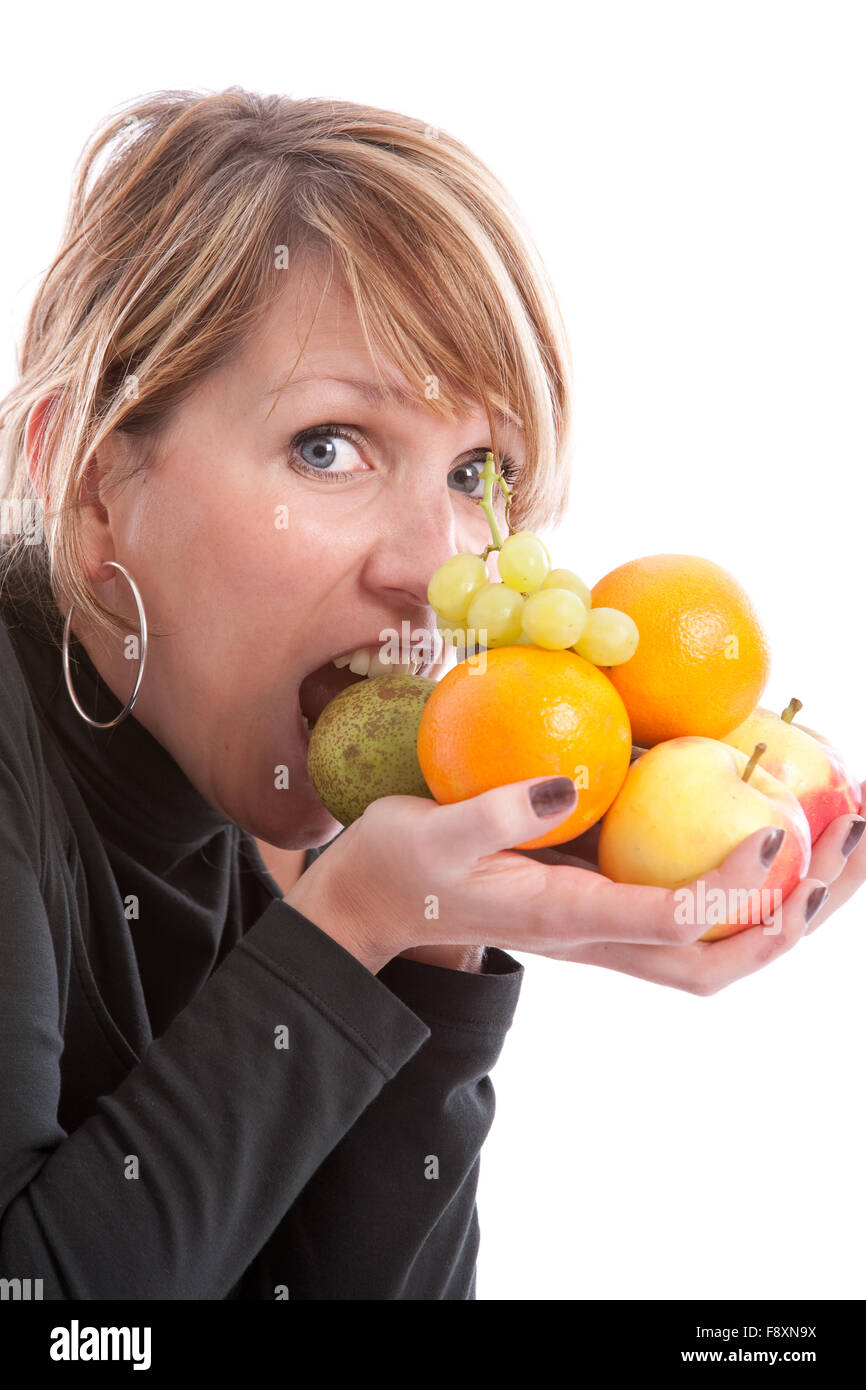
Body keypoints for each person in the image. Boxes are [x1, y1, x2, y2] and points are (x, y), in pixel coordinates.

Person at [1, 88, 863, 1302]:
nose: (435, 565)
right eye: (328, 446)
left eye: (477, 471)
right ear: (90, 487)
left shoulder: (282, 815)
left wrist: (431, 935)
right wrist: (346, 931)